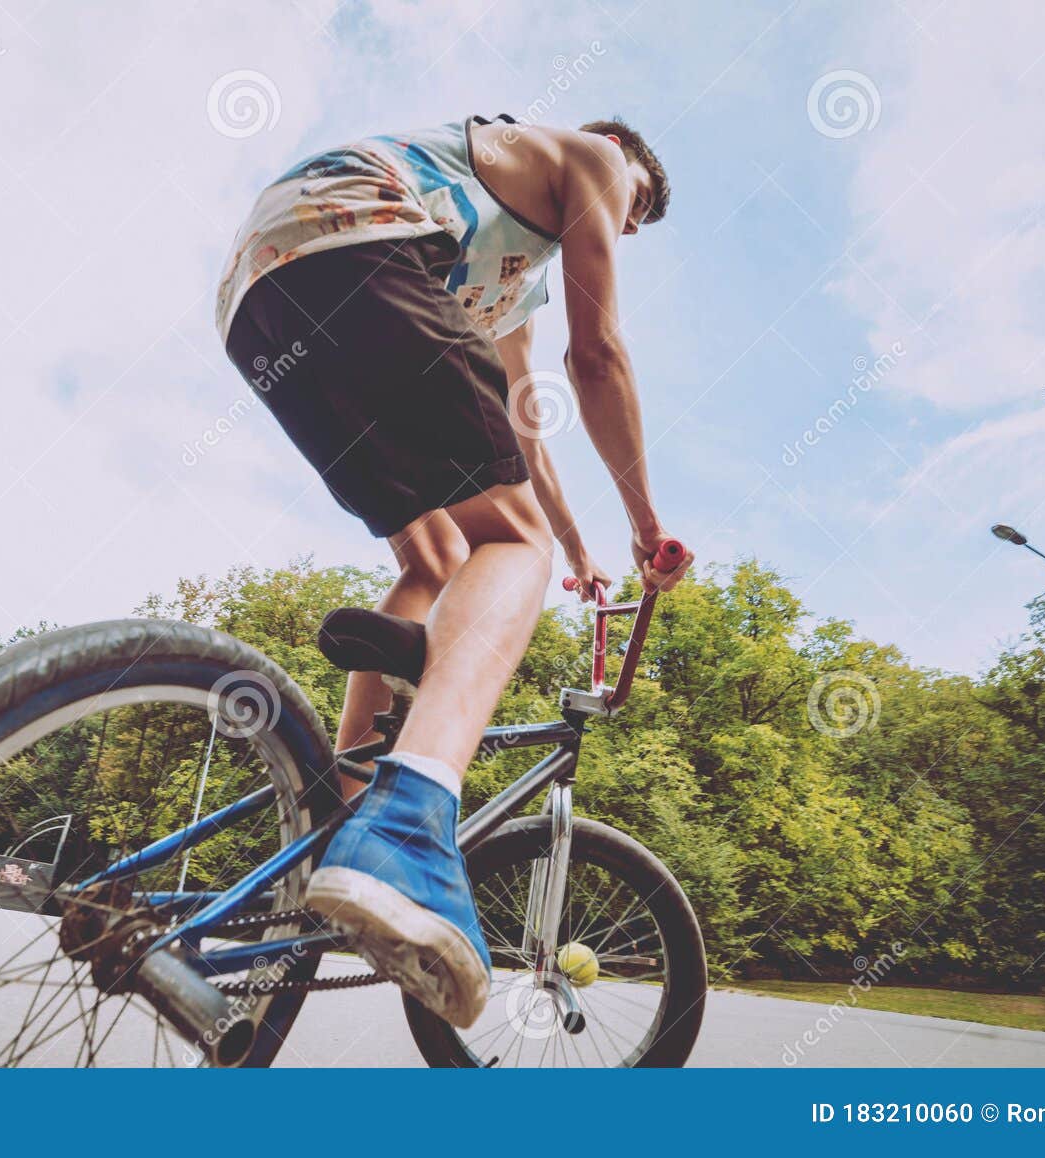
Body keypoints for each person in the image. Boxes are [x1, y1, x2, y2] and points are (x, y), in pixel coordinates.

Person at [216, 113, 692, 1028]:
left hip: (265, 295)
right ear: (623, 161)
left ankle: (339, 821)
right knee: (510, 546)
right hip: (358, 240)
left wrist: (582, 549)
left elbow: (521, 426)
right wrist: (645, 522)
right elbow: (596, 357)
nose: (623, 230)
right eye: (634, 212)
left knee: (439, 552)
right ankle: (404, 821)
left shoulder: (506, 276)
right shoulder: (587, 155)